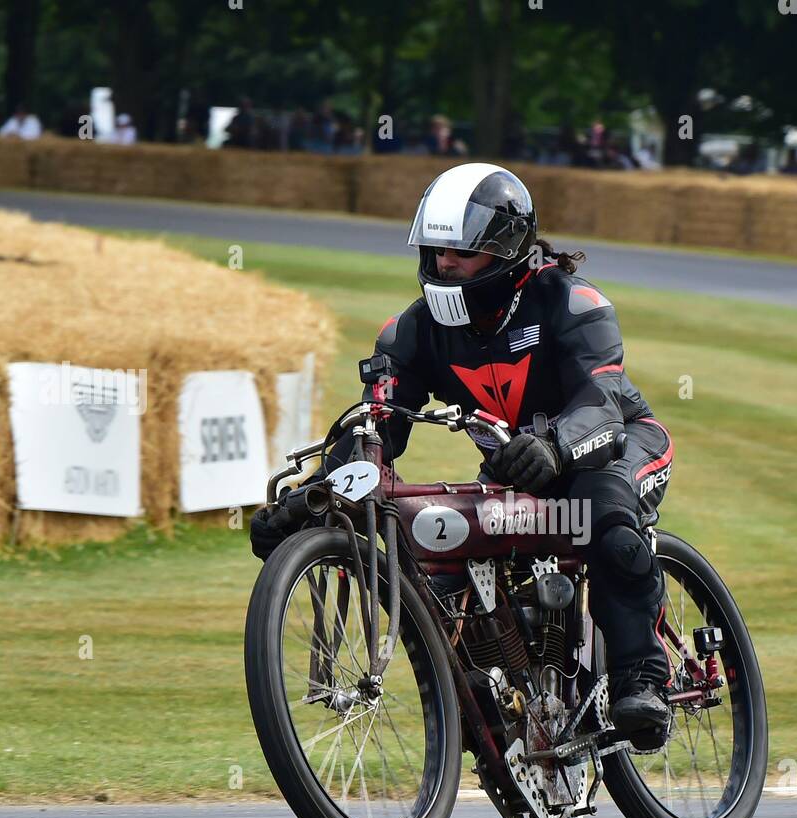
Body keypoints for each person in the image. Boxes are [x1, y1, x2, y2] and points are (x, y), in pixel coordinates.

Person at [251, 164, 677, 749]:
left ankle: (643, 678)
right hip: (511, 468)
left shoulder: (575, 305)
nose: (443, 264)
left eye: (460, 252)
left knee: (607, 527)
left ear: (506, 248)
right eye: (435, 250)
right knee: (442, 543)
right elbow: (375, 427)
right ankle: (495, 689)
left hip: (616, 447)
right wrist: (317, 494)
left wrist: (553, 447)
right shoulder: (410, 331)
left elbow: (601, 404)